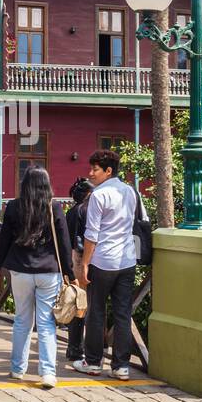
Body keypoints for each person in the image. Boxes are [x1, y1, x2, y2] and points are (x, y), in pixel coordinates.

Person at [0, 167, 72, 389]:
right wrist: (70, 273)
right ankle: (48, 373)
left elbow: (3, 241)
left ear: (25, 184)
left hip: (20, 271)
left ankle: (17, 368)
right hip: (49, 272)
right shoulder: (54, 207)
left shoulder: (14, 206)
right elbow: (64, 243)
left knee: (22, 320)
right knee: (46, 322)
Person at [73, 149, 139, 380]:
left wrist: (84, 265)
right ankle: (121, 366)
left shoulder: (99, 195)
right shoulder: (131, 192)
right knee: (122, 313)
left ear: (108, 170)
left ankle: (93, 362)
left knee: (96, 311)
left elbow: (92, 235)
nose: (90, 173)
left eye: (95, 169)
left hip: (102, 261)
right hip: (127, 260)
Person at [64, 177, 93, 363]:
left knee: (77, 304)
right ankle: (80, 348)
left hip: (73, 261)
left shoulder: (72, 211)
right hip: (83, 261)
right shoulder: (87, 210)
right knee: (84, 305)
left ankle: (74, 347)